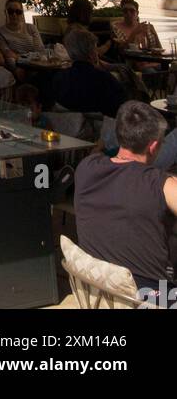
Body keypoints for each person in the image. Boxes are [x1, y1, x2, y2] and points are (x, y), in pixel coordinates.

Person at [73, 100, 177, 295]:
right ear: (153, 146)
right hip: (151, 298)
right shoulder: (160, 185)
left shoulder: (86, 168)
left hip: (98, 290)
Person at [51, 27, 127, 118]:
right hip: (101, 128)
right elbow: (121, 109)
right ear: (91, 53)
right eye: (95, 49)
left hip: (67, 127)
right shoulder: (105, 80)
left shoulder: (59, 78)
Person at [0, 0, 46, 71]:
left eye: (18, 12)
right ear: (5, 13)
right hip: (19, 68)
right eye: (11, 11)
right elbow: (8, 54)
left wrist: (19, 56)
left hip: (38, 65)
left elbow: (40, 50)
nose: (14, 15)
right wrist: (30, 57)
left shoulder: (31, 28)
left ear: (22, 13)